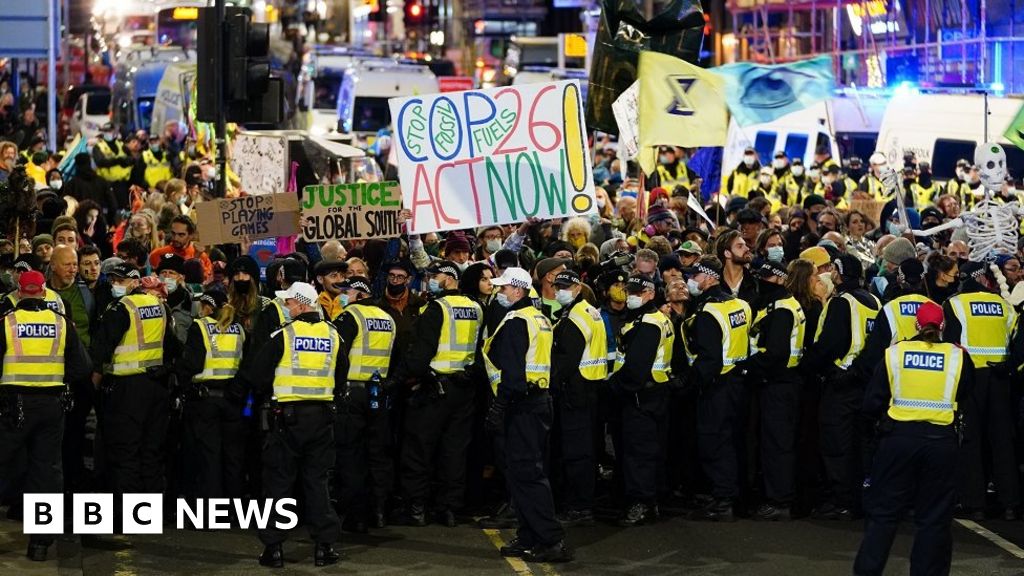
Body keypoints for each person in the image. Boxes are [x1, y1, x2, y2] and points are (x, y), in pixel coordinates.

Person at [853, 302, 973, 576]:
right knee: (933, 519)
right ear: (942, 326)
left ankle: (867, 571)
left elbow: (873, 401)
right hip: (941, 442)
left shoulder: (895, 353)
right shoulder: (957, 356)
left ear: (916, 326)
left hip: (898, 439)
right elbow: (966, 393)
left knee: (883, 515)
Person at [245, 281, 345, 568]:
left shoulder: (284, 336)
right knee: (318, 482)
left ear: (301, 304)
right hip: (323, 417)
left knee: (279, 483)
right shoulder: (334, 335)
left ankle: (274, 549)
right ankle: (324, 548)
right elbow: (341, 376)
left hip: (287, 419)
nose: (285, 307)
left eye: (288, 302)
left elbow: (258, 375)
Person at [482, 266, 572, 563]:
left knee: (526, 474)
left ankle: (549, 539)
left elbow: (512, 371)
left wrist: (499, 407)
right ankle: (531, 535)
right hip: (538, 402)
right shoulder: (540, 319)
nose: (500, 292)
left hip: (522, 406)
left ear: (518, 290)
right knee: (526, 473)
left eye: (504, 288)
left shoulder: (518, 321)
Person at [0, 270, 91, 561]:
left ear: (19, 293)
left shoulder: (7, 323)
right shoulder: (61, 324)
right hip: (52, 406)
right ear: (42, 292)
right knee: (47, 473)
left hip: (13, 406)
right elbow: (82, 368)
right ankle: (40, 544)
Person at [393, 260, 482, 527]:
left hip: (434, 388)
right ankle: (449, 509)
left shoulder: (436, 309)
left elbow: (420, 356)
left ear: (450, 277)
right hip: (464, 389)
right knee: (454, 451)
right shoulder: (476, 308)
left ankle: (416, 509)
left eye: (435, 275)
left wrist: (405, 377)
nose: (430, 279)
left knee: (419, 449)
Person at [90, 263, 179, 499]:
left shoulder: (122, 308)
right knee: (151, 451)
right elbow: (172, 347)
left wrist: (94, 384)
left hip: (127, 390)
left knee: (125, 452)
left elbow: (101, 350)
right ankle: (150, 510)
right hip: (156, 386)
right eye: (112, 280)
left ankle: (129, 513)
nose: (115, 285)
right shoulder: (161, 307)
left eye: (120, 280)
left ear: (134, 282)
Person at [804, 254, 881, 520]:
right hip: (865, 383)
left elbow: (830, 343)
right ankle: (859, 499)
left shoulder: (841, 302)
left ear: (839, 273)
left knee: (837, 445)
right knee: (861, 444)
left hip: (840, 384)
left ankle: (842, 501)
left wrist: (812, 365)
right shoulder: (873, 300)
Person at [944, 261, 1019, 520]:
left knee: (971, 440)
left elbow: (949, 344)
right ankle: (1010, 503)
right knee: (1002, 441)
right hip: (1000, 378)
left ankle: (974, 503)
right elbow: (1017, 339)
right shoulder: (1003, 304)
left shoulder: (954, 304)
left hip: (969, 379)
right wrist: (1007, 366)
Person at [684, 256, 752, 521]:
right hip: (739, 383)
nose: (692, 281)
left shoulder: (708, 312)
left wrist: (690, 383)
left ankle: (723, 500)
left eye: (696, 276)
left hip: (717, 387)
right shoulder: (741, 305)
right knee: (734, 441)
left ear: (710, 277)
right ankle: (733, 496)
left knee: (715, 442)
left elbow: (709, 358)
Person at [608, 273, 675, 525]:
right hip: (656, 393)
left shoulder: (648, 323)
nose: (631, 297)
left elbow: (635, 368)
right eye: (630, 292)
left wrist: (613, 387)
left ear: (649, 294)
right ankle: (651, 501)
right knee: (651, 451)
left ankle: (641, 503)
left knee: (639, 453)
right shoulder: (659, 319)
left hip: (641, 396)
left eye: (636, 293)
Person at [332, 276, 397, 532]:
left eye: (345, 291)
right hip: (378, 393)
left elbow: (337, 355)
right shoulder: (387, 318)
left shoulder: (351, 316)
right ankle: (380, 511)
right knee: (378, 454)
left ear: (359, 293)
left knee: (351, 455)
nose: (341, 296)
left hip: (353, 394)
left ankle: (355, 515)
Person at [745, 258, 806, 521]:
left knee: (777, 444)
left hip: (779, 383)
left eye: (767, 277)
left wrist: (748, 366)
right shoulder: (780, 304)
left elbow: (776, 354)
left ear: (781, 279)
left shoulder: (782, 309)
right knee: (776, 443)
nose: (762, 281)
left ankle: (779, 500)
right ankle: (777, 496)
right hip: (781, 383)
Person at [175, 290, 246, 502]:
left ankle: (209, 512)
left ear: (207, 305)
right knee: (233, 458)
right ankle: (234, 510)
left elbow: (192, 364)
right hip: (233, 401)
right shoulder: (239, 328)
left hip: (205, 401)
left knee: (209, 458)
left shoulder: (201, 326)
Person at [550, 269, 608, 526]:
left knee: (576, 453)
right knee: (585, 450)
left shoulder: (575, 317)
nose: (558, 290)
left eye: (564, 286)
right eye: (557, 286)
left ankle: (579, 507)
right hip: (590, 388)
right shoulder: (590, 311)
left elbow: (566, 360)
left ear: (577, 288)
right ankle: (583, 504)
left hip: (576, 391)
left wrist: (549, 381)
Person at [148, 215, 213, 282]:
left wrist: (196, 260)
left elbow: (205, 281)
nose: (175, 238)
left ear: (191, 235)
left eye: (181, 235)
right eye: (173, 233)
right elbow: (150, 278)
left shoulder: (201, 256)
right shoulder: (157, 254)